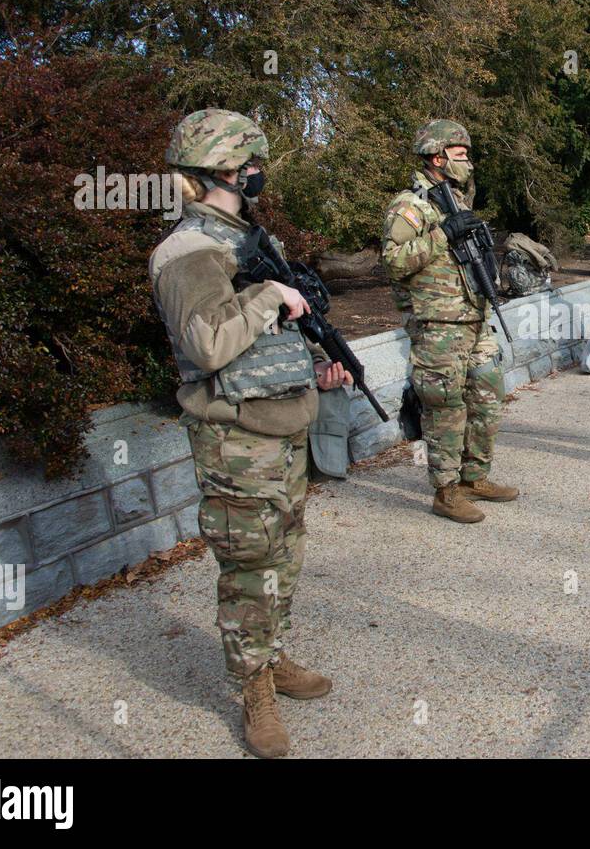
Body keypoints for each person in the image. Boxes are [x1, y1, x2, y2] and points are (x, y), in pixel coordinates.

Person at [150, 109, 347, 759]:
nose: (259, 173)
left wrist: (317, 366)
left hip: (279, 424)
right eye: (250, 164)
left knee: (284, 553)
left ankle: (274, 655)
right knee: (248, 569)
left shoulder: (244, 238)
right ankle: (254, 688)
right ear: (222, 170)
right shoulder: (187, 250)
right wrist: (268, 298)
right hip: (235, 439)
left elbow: (271, 334)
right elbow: (208, 343)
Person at [380, 119, 518, 523]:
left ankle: (475, 477)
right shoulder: (410, 206)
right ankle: (445, 490)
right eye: (461, 156)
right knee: (445, 408)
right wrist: (443, 235)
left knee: (488, 398)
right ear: (437, 157)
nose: (469, 163)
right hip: (439, 324)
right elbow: (393, 262)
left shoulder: (456, 201)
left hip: (474, 318)